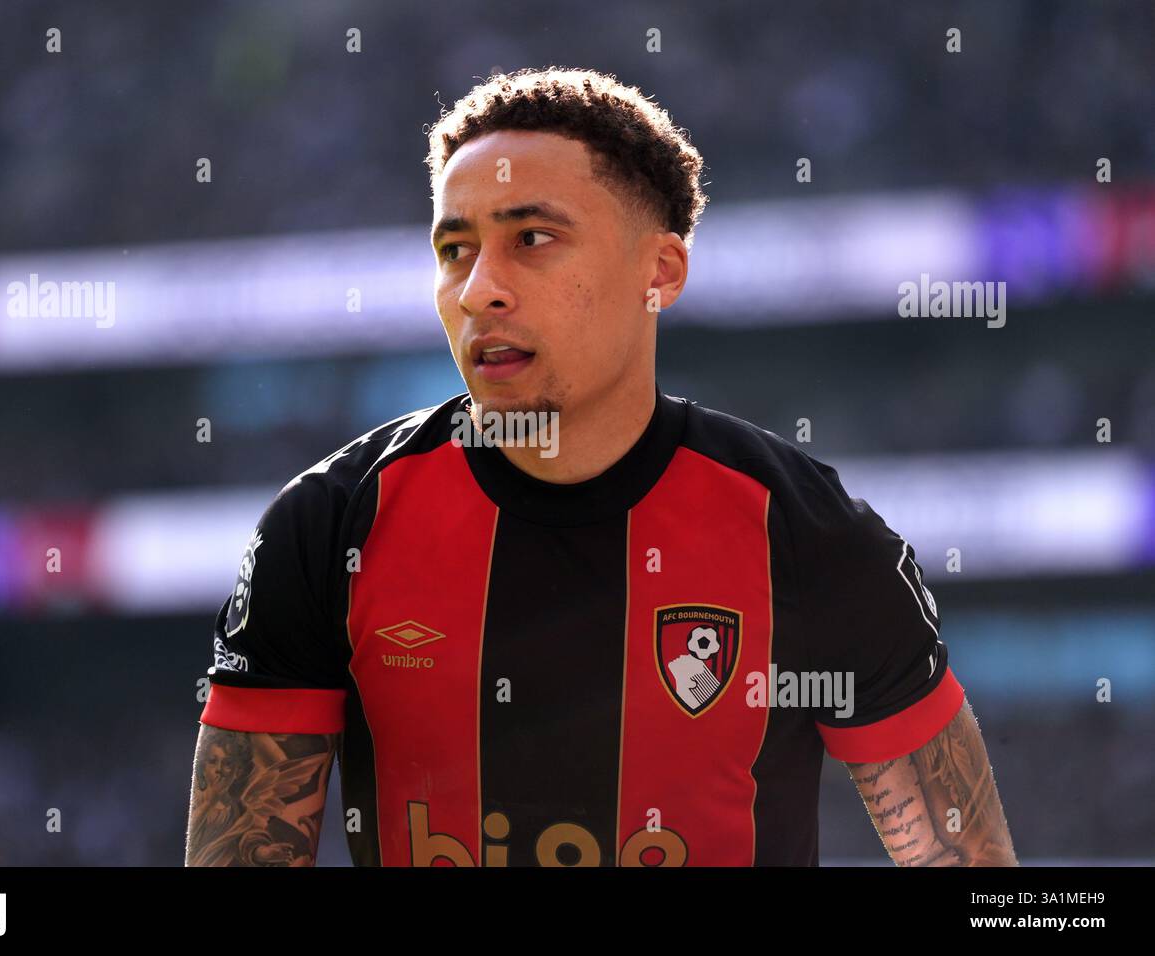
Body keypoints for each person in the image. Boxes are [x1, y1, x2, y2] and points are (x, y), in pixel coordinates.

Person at [185, 67, 1016, 867]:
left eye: (532, 239)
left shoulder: (806, 533)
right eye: (455, 249)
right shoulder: (331, 529)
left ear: (660, 272)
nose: (479, 291)